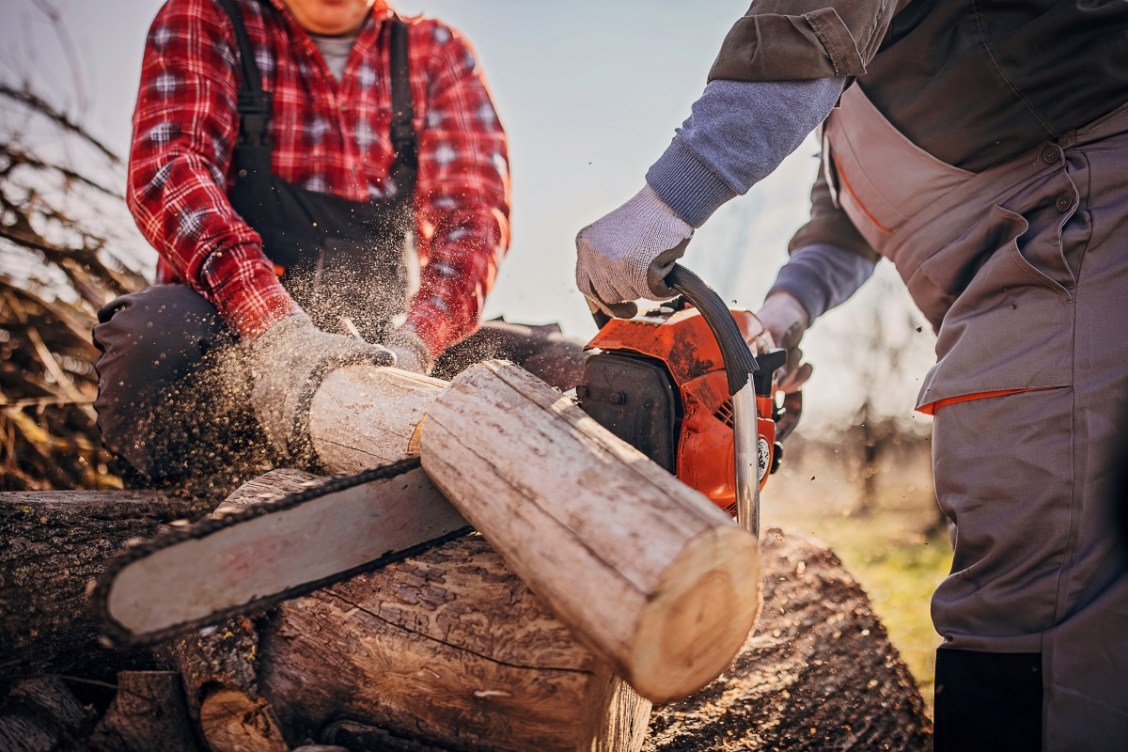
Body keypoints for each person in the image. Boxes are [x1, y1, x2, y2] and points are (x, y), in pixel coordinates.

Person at [575, 2, 1128, 749]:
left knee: (1034, 594)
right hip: (1029, 263)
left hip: (1071, 228)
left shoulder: (837, 36)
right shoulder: (850, 102)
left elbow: (807, 23)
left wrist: (667, 201)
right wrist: (774, 322)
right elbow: (838, 232)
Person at [94, 0, 579, 488]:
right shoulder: (208, 17)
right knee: (150, 339)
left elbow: (472, 219)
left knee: (571, 372)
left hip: (391, 338)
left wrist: (415, 345)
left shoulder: (433, 51)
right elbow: (169, 171)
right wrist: (277, 333)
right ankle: (194, 495)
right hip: (238, 327)